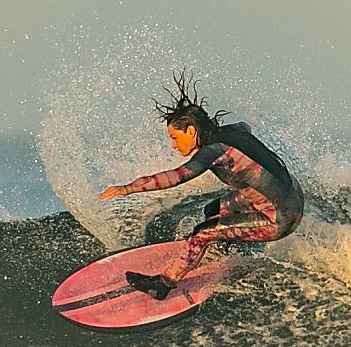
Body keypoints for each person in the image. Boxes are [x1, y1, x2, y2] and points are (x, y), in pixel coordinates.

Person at [97, 74, 305, 298]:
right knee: (213, 210)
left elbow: (178, 176)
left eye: (175, 138)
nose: (174, 146)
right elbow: (246, 127)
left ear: (192, 132)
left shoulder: (215, 152)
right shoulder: (235, 131)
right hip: (293, 196)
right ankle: (228, 248)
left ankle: (163, 285)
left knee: (201, 233)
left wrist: (128, 188)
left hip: (280, 219)